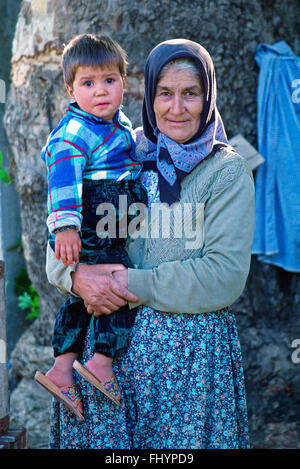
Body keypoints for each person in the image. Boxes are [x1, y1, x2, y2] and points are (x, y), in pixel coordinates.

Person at [46, 38, 255, 449]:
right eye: (165, 93)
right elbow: (59, 235)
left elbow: (225, 276)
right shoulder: (122, 149)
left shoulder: (226, 172)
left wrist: (127, 284)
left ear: (208, 95)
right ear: (149, 95)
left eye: (190, 93)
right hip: (104, 366)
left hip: (189, 368)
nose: (177, 108)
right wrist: (76, 275)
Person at [35, 33, 148, 420]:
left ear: (124, 83)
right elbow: (63, 179)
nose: (100, 91)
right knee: (118, 285)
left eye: (109, 80)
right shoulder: (73, 133)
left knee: (81, 301)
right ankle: (101, 361)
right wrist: (65, 227)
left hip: (111, 225)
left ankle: (62, 369)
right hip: (90, 228)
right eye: (88, 83)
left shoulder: (120, 125)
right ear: (71, 89)